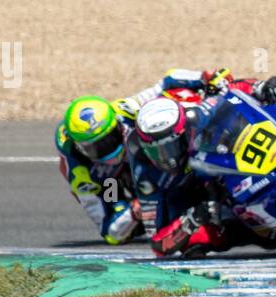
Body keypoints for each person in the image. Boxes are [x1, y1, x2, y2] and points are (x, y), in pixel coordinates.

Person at [129, 73, 276, 257]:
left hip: (230, 163)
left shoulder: (198, 116)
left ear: (183, 130)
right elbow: (158, 243)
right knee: (196, 241)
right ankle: (264, 234)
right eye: (156, 151)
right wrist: (193, 219)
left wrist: (263, 86)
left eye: (170, 147)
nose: (166, 158)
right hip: (203, 200)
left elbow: (231, 92)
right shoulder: (145, 176)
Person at [54, 68, 224, 245]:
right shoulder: (86, 175)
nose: (108, 148)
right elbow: (111, 232)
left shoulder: (125, 110)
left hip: (150, 156)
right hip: (114, 179)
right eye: (95, 147)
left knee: (174, 100)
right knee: (136, 213)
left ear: (117, 124)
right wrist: (134, 212)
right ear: (80, 148)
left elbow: (167, 82)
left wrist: (204, 78)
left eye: (111, 137)